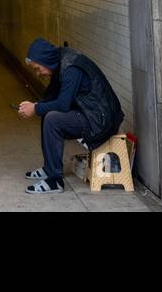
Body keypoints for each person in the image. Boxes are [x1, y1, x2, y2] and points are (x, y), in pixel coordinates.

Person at [16, 38, 125, 194]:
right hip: (90, 112)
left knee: (53, 119)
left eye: (38, 69)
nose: (38, 74)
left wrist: (36, 108)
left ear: (46, 61)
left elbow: (63, 105)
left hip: (100, 121)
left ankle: (55, 181)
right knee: (47, 112)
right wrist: (34, 106)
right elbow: (51, 98)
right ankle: (49, 169)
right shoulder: (59, 62)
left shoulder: (71, 69)